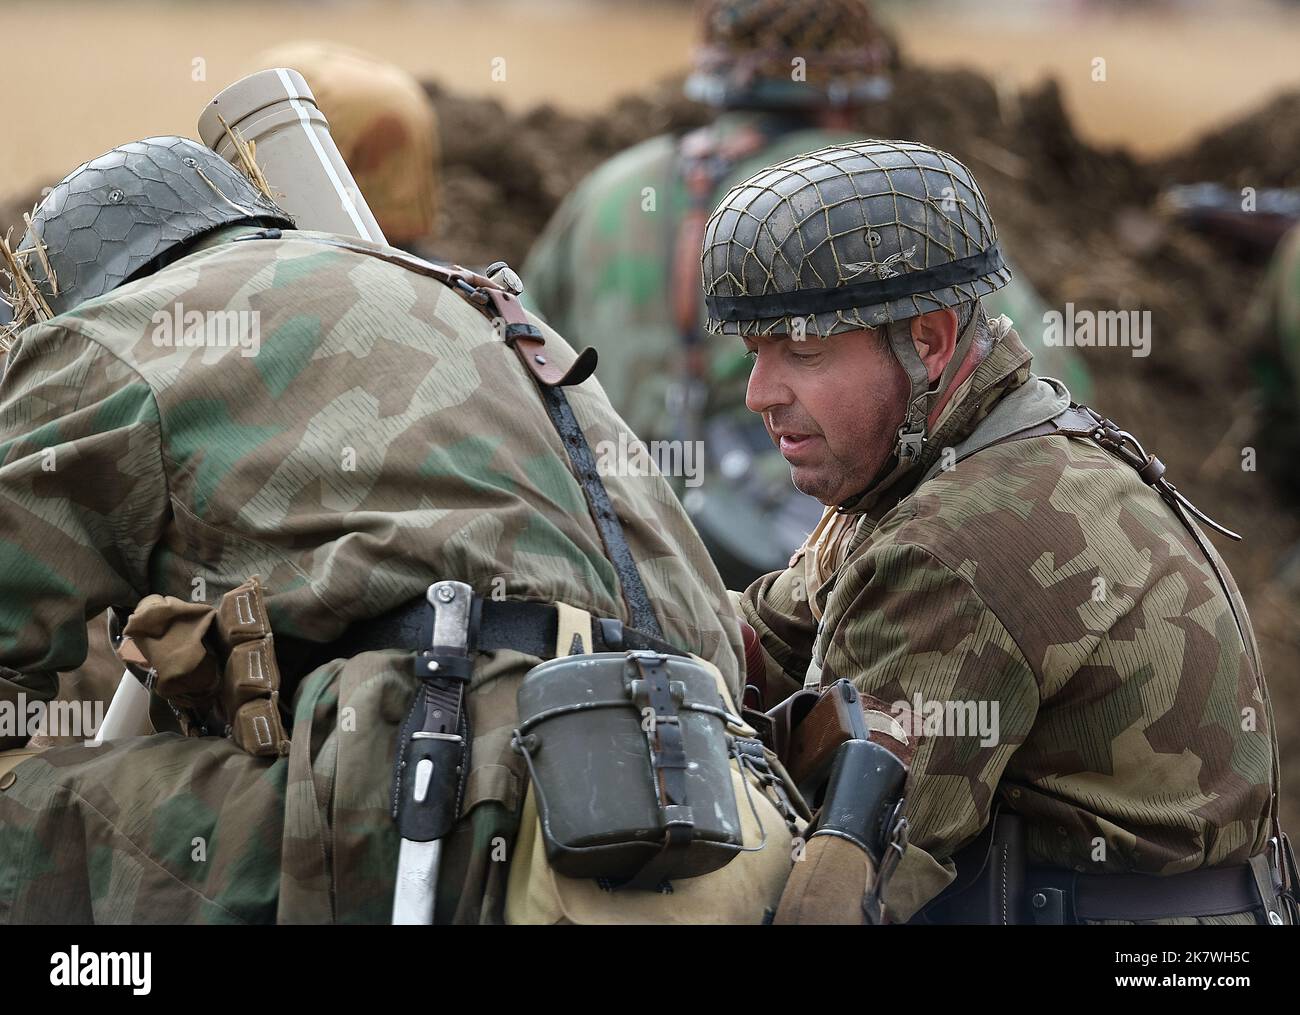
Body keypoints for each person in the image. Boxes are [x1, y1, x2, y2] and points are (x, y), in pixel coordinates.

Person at [0, 136, 745, 924]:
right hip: (708, 797)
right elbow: (715, 635)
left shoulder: (112, 338)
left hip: (448, 795)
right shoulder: (489, 307)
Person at [708, 138, 1294, 924]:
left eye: (803, 352)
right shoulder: (961, 455)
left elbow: (844, 890)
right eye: (754, 353)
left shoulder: (960, 542)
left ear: (929, 341)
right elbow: (755, 638)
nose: (758, 394)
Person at [522, 0, 1091, 588]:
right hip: (817, 549)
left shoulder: (608, 191)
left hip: (630, 543)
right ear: (856, 79)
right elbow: (1039, 377)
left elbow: (531, 366)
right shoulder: (875, 191)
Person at [250, 40, 441, 255]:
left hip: (344, 106)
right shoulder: (289, 69)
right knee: (392, 224)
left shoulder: (256, 94)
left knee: (329, 220)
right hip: (409, 99)